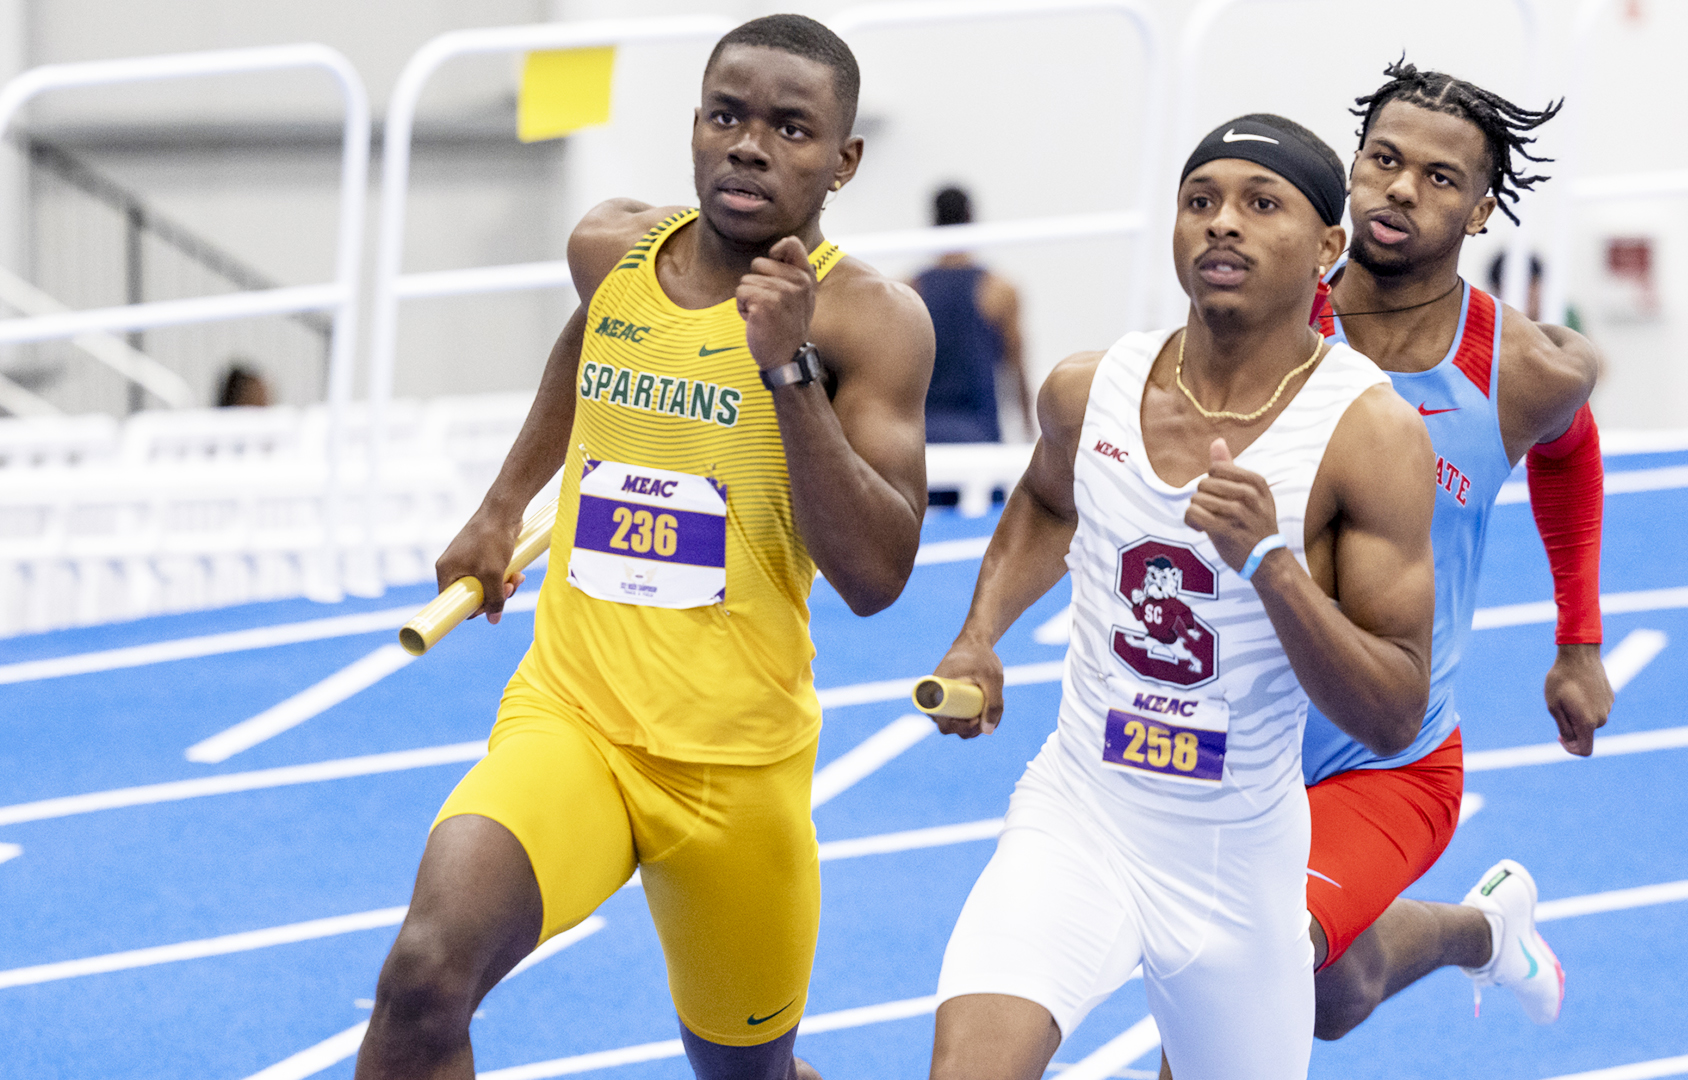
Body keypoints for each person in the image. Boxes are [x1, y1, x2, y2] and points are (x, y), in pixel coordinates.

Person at [353, 15, 933, 1080]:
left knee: (748, 1075)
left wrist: (786, 369)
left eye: (792, 129)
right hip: (573, 721)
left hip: (735, 768)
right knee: (423, 977)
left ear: (845, 160)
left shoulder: (870, 322)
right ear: (698, 126)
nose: (750, 145)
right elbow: (592, 340)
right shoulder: (611, 249)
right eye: (727, 116)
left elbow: (877, 578)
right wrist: (503, 501)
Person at [924, 114, 1436, 1080]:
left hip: (1235, 864)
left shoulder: (1368, 434)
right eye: (1200, 202)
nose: (1222, 225)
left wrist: (1273, 564)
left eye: (1259, 203)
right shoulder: (1091, 390)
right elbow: (1044, 500)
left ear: (1330, 246)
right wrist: (977, 637)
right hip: (1082, 812)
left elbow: (1396, 707)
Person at [1294, 59, 1612, 1040]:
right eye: (1384, 160)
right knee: (1329, 1001)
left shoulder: (1521, 370)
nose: (1401, 187)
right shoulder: (1262, 317)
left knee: (1254, 965)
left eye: (1440, 178)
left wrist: (1579, 640)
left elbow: (1570, 455)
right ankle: (1484, 933)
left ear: (1480, 212)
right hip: (1228, 733)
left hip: (1383, 752)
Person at [912, 186, 1028, 443]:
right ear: (970, 218)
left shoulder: (908, 290)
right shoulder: (999, 290)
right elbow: (1016, 367)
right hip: (979, 434)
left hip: (923, 437)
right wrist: (1030, 431)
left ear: (933, 222)